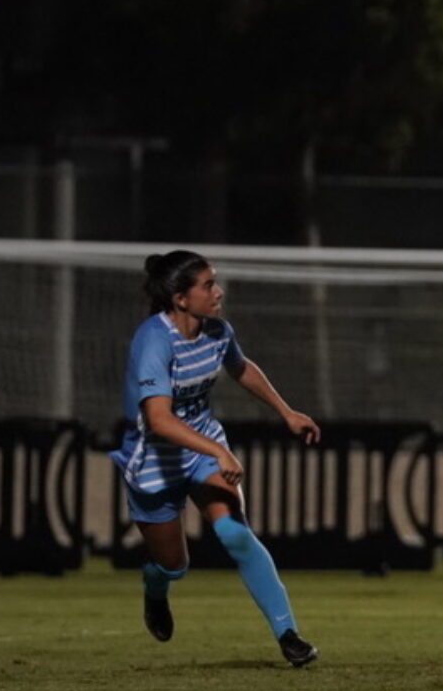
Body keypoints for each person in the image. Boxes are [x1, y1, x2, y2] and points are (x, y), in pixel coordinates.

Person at [110, 251, 321, 666]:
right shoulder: (154, 339)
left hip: (202, 445)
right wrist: (219, 450)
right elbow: (158, 419)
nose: (218, 291)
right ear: (181, 298)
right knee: (174, 566)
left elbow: (241, 368)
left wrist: (287, 412)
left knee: (236, 535)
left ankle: (288, 635)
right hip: (155, 456)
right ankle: (156, 588)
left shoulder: (218, 332)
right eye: (208, 284)